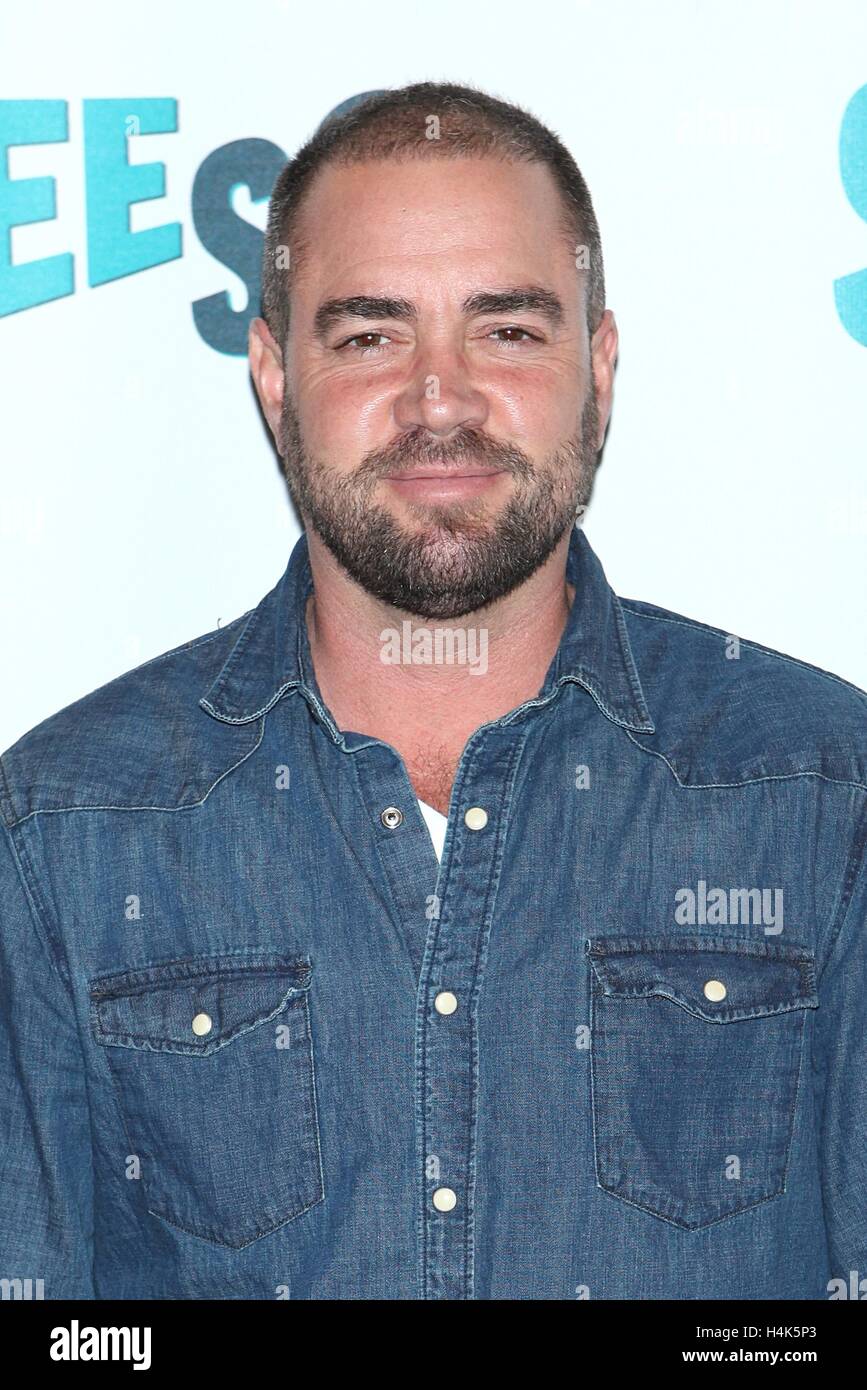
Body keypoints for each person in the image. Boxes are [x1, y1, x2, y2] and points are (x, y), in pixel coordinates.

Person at [1, 82, 864, 1301]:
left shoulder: (825, 793)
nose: (441, 400)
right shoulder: (62, 826)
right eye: (370, 336)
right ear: (272, 376)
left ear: (599, 369)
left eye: (508, 330)